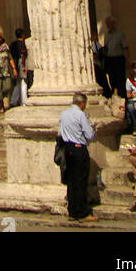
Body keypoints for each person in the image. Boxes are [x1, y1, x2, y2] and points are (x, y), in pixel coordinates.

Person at [57, 93, 97, 224]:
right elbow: (89, 135)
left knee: (71, 181)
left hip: (67, 149)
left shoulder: (63, 114)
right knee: (80, 181)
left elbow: (60, 133)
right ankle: (82, 212)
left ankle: (72, 211)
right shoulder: (80, 115)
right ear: (82, 103)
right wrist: (93, 129)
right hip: (79, 148)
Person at [102, 16, 128, 100]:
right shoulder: (106, 35)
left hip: (119, 59)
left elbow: (125, 48)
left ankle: (122, 97)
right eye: (106, 23)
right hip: (110, 59)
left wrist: (127, 60)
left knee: (120, 80)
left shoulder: (120, 34)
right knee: (112, 80)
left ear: (113, 23)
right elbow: (106, 47)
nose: (108, 25)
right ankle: (115, 96)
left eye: (109, 23)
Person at [9, 28, 29, 106]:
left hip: (16, 64)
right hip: (21, 64)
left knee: (18, 83)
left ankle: (13, 101)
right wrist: (23, 66)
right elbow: (23, 56)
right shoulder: (23, 44)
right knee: (23, 83)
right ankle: (23, 101)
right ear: (22, 35)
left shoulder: (13, 44)